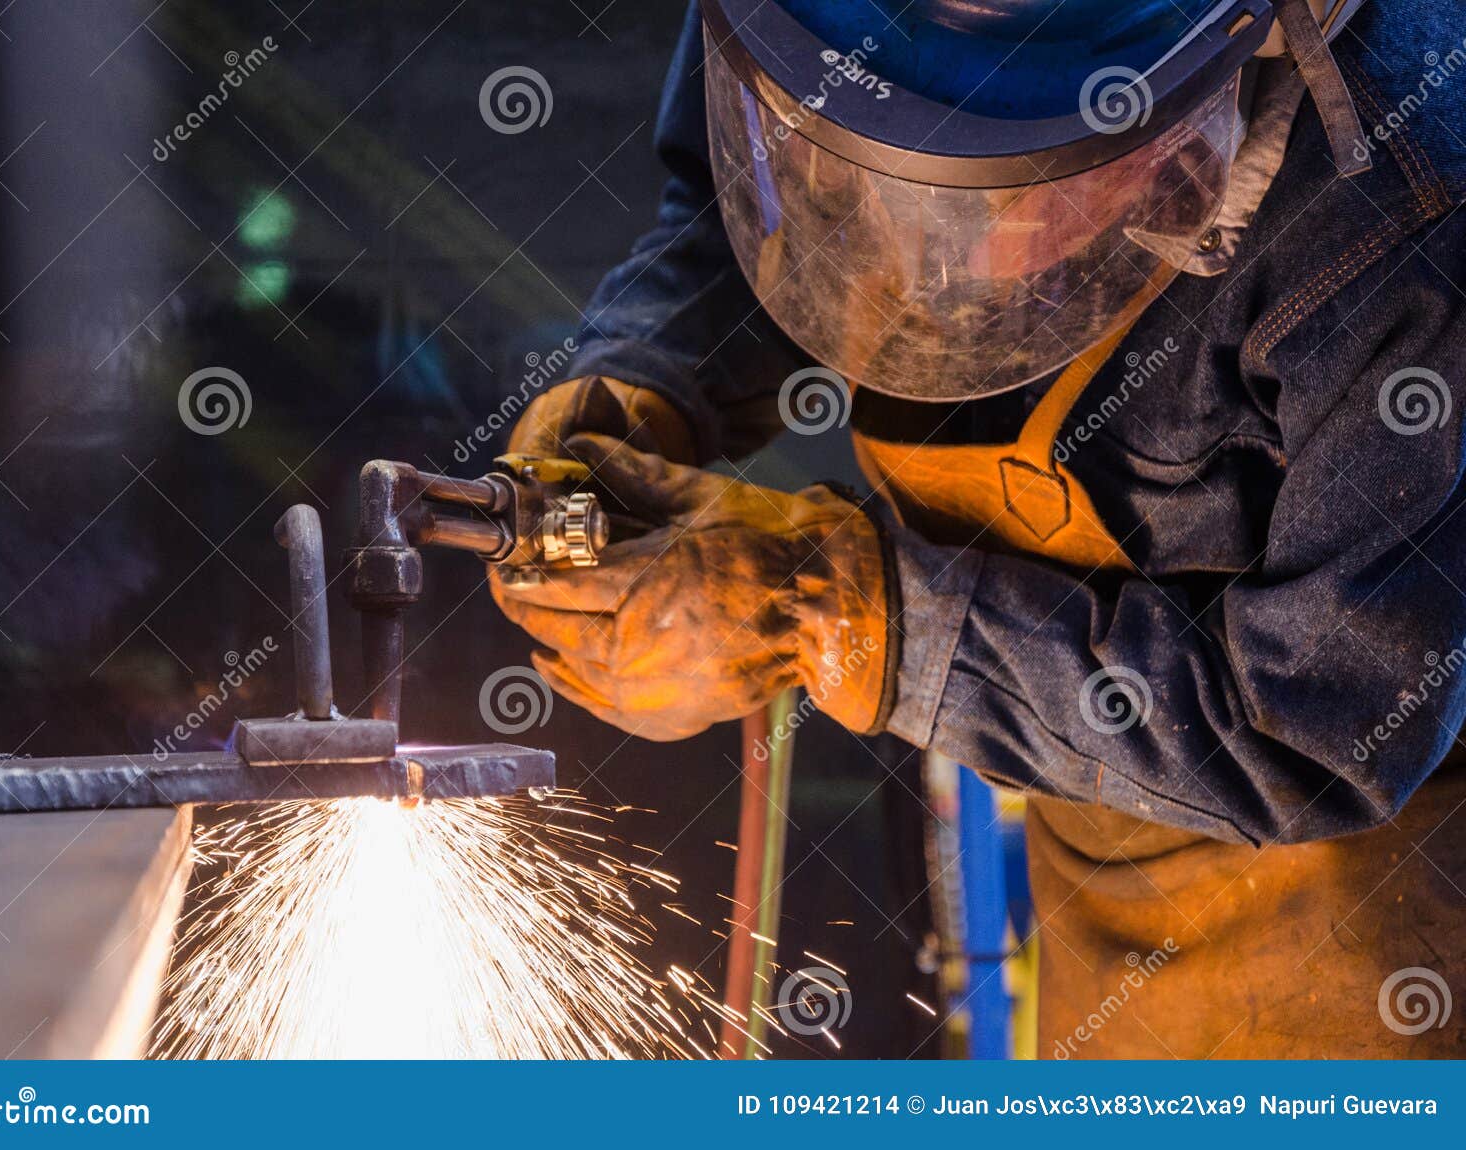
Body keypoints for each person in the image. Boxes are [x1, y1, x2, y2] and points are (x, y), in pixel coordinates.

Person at [492, 0, 1466, 1057]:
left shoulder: (1405, 213)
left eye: (1015, 183)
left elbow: (1316, 728)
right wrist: (640, 375)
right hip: (1094, 888)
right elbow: (768, 203)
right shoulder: (798, 18)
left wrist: (816, 602)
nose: (936, 259)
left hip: (1358, 932)